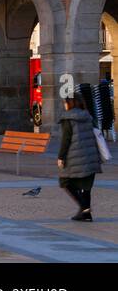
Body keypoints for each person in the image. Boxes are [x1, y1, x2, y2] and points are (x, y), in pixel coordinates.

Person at [57, 94, 103, 222]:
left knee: (65, 181)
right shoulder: (87, 116)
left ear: (70, 103)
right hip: (91, 155)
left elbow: (66, 140)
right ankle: (86, 214)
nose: (64, 105)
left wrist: (61, 157)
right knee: (86, 185)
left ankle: (84, 208)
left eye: (65, 102)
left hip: (74, 157)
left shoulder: (68, 118)